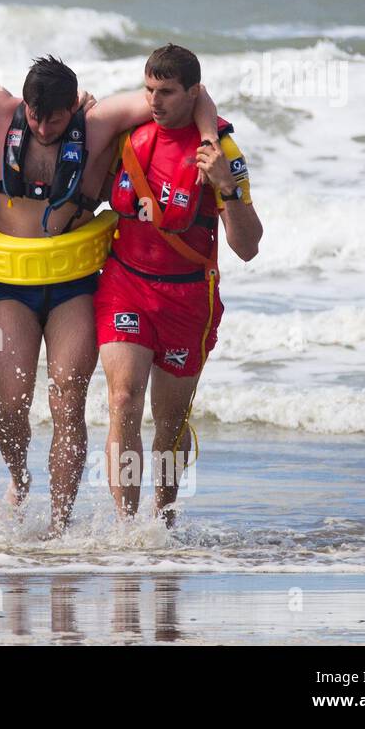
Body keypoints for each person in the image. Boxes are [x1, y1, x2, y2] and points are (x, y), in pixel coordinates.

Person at [0, 55, 218, 533]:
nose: (44, 127)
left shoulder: (94, 124)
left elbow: (193, 96)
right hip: (10, 284)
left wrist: (212, 139)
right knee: (10, 409)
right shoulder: (0, 109)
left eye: (55, 118)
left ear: (71, 107)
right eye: (36, 116)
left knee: (68, 398)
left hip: (72, 283)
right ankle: (20, 475)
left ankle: (59, 521)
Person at [96, 43, 262, 526]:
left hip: (187, 298)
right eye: (149, 89)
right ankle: (128, 531)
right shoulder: (132, 132)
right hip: (125, 284)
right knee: (122, 400)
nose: (155, 101)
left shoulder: (222, 151)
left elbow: (247, 247)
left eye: (166, 92)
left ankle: (163, 521)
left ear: (193, 93)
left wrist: (226, 188)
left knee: (169, 423)